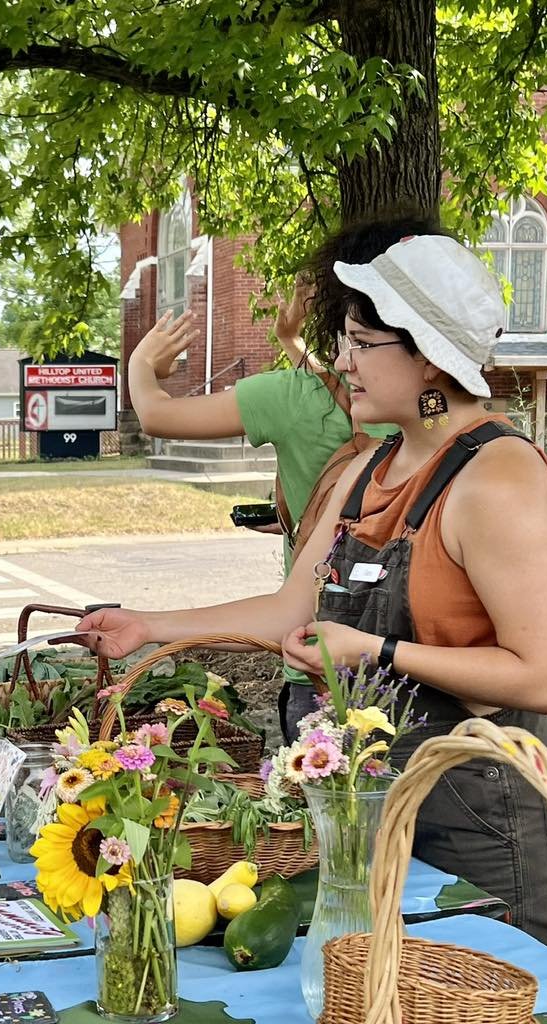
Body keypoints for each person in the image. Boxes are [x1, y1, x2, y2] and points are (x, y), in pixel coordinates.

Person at [82, 234, 547, 958]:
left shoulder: (499, 478)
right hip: (371, 818)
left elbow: (542, 675)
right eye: (345, 341)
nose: (342, 361)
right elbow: (292, 610)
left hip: (479, 828)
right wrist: (148, 626)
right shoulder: (372, 466)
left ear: (431, 356)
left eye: (362, 342)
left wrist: (375, 650)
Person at [126, 222, 406, 733]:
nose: (347, 359)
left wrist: (142, 364)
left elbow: (157, 417)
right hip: (409, 686)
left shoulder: (295, 397)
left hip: (318, 666)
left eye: (361, 341)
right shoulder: (427, 429)